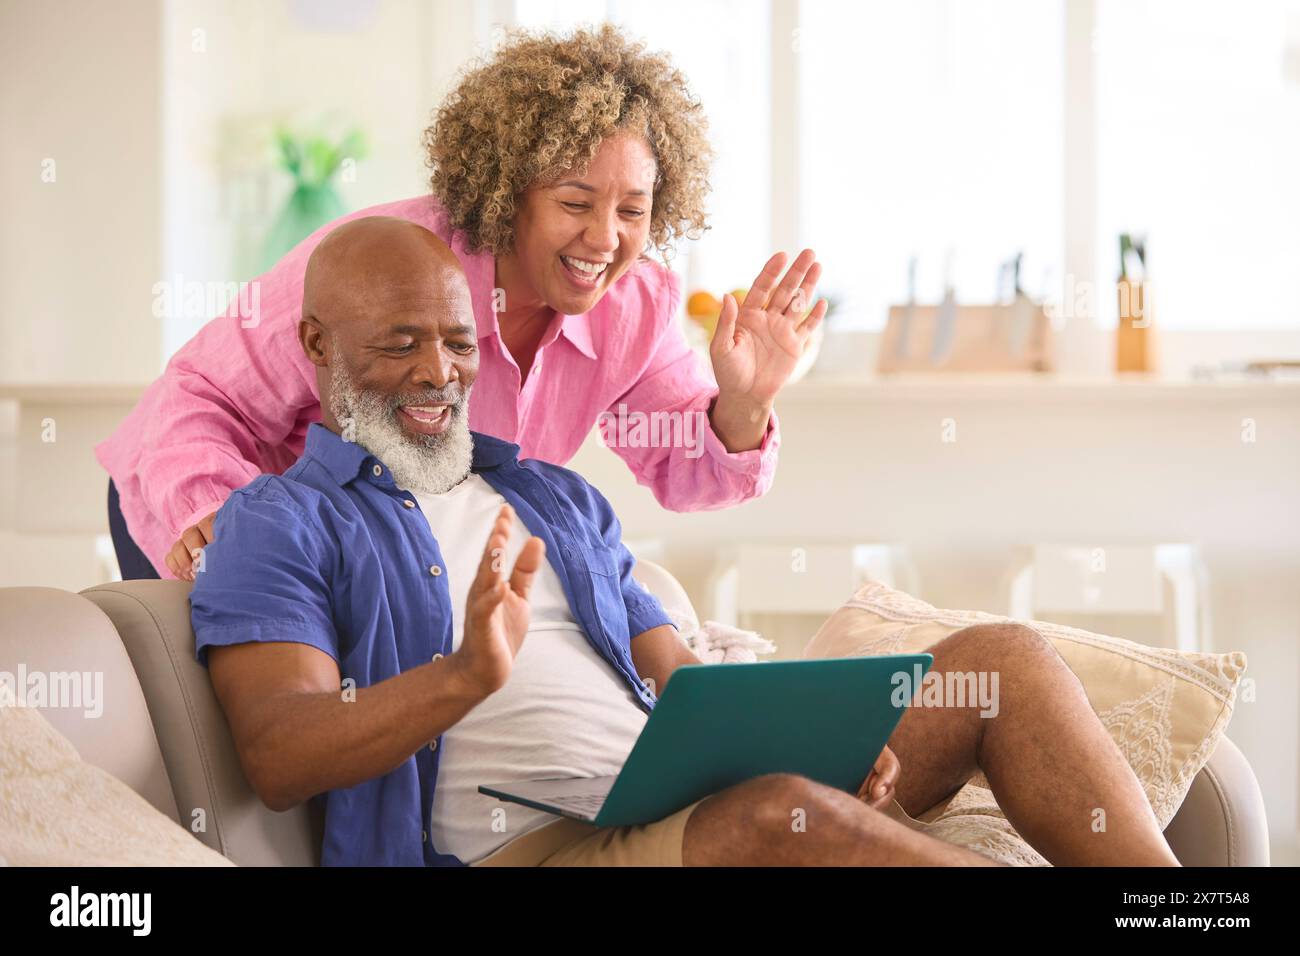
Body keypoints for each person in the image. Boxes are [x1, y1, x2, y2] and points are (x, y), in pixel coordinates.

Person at [189, 219, 1181, 867]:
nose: (437, 369)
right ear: (317, 343)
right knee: (785, 810)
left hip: (676, 790)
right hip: (537, 846)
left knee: (1000, 659)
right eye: (399, 339)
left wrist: (827, 744)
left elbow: (685, 684)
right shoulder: (278, 522)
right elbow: (279, 752)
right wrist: (462, 675)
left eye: (454, 339)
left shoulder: (548, 492)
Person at [98, 22, 827, 581]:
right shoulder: (382, 261)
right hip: (201, 500)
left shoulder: (635, 308)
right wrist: (216, 514)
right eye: (576, 201)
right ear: (508, 193)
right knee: (256, 759)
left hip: (371, 551)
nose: (605, 238)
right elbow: (198, 393)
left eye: (633, 211)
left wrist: (746, 401)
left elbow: (683, 467)